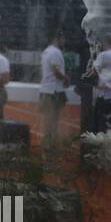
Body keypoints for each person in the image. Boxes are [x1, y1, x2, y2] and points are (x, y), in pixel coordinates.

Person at [39, 28, 70, 157]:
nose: (64, 41)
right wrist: (66, 78)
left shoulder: (46, 52)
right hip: (54, 92)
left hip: (46, 90)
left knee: (48, 121)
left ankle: (48, 146)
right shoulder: (56, 53)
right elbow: (56, 72)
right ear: (58, 39)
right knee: (52, 121)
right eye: (63, 39)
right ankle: (50, 148)